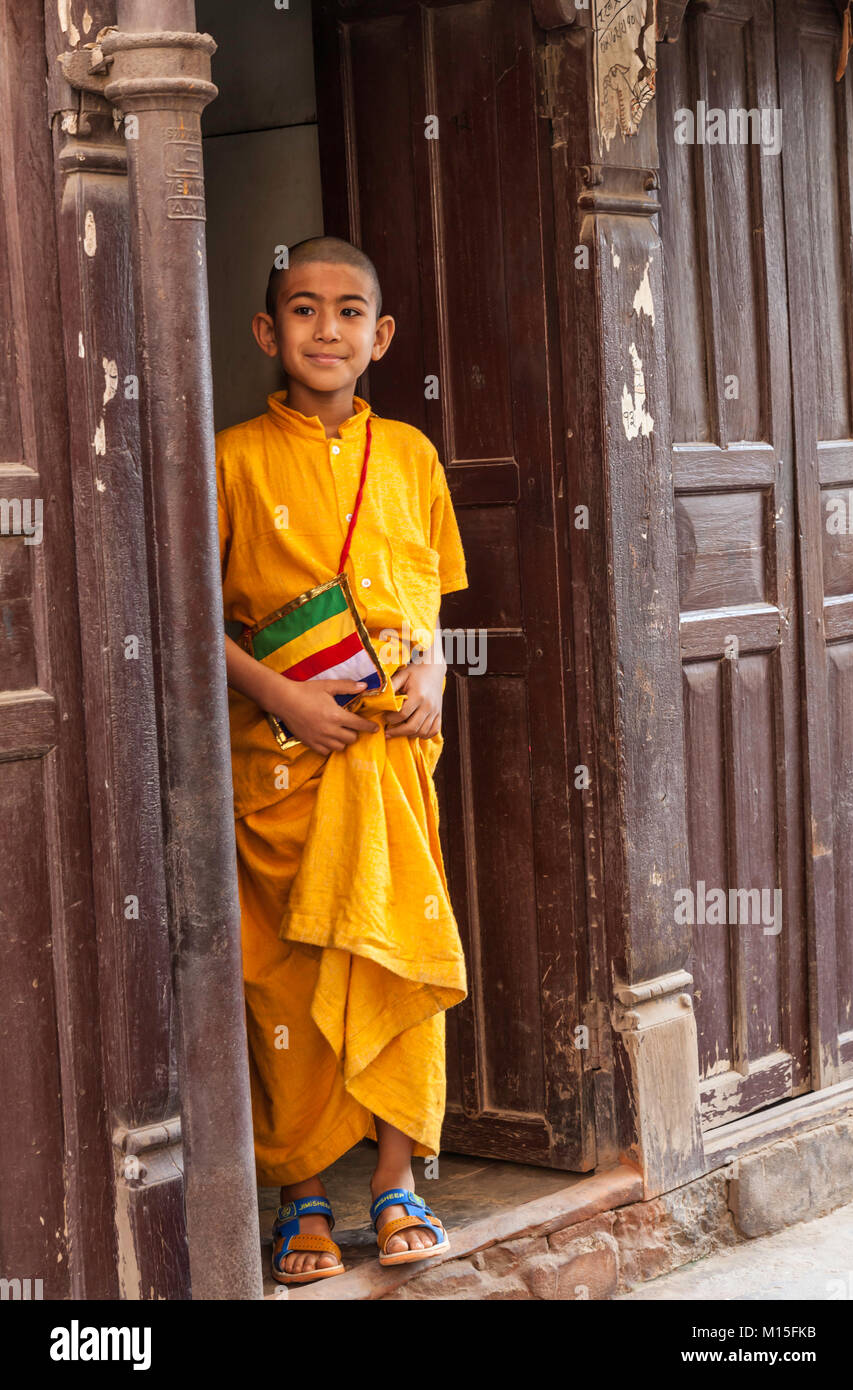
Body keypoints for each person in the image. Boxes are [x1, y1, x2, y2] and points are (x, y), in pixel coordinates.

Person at [216, 236, 469, 1285]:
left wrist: (432, 683)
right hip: (281, 765)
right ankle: (305, 1189)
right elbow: (182, 614)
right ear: (270, 333)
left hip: (391, 765)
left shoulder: (409, 454)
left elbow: (437, 610)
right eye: (305, 311)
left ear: (382, 335)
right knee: (284, 977)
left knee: (391, 957)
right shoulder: (226, 460)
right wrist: (279, 694)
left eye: (349, 311)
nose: (328, 331)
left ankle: (397, 1179)